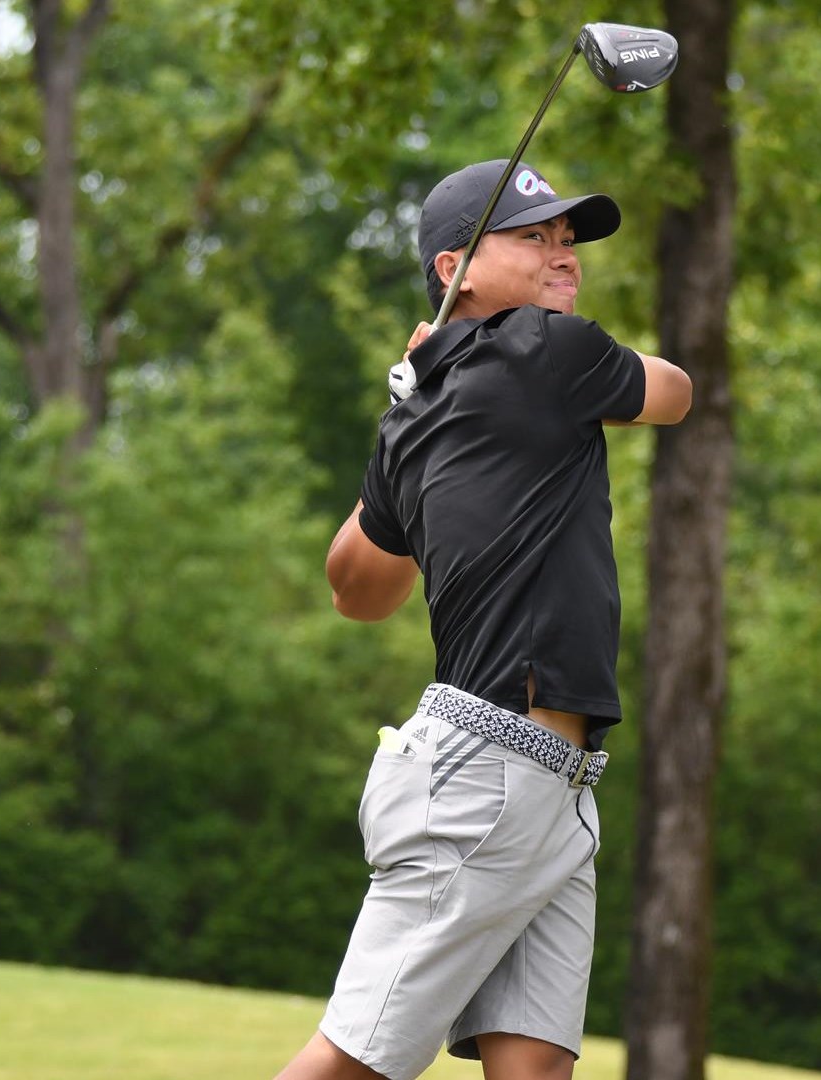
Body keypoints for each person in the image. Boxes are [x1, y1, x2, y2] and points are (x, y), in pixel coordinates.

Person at [276, 159, 692, 1080]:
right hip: (486, 775)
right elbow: (674, 391)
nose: (564, 256)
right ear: (452, 265)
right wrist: (415, 416)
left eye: (567, 239)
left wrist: (410, 415)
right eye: (533, 236)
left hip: (551, 786)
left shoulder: (428, 401)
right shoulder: (551, 350)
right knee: (351, 1063)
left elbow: (359, 584)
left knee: (532, 1069)